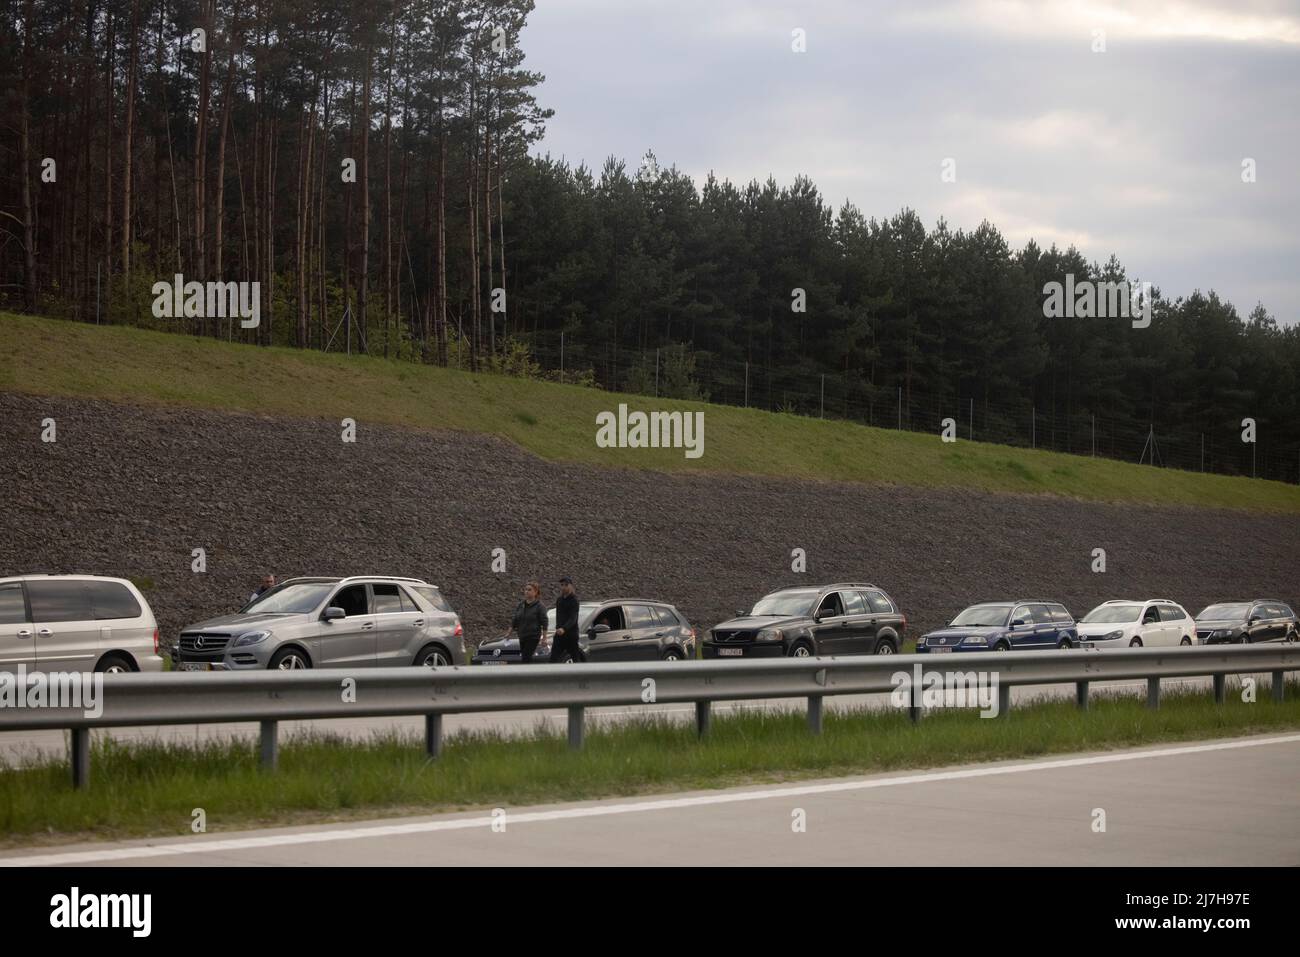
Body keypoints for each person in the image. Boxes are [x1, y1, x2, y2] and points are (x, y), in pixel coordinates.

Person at [503, 580, 548, 663]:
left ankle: (527, 674)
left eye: (529, 590)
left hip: (533, 636)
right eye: (525, 589)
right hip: (522, 635)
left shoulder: (540, 606)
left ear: (536, 592)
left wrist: (544, 638)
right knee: (525, 657)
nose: (526, 591)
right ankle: (530, 674)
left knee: (526, 657)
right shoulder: (521, 605)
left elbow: (544, 622)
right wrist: (509, 632)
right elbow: (515, 619)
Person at [550, 576, 581, 663]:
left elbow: (573, 618)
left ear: (571, 586)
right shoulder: (559, 600)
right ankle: (551, 675)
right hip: (559, 634)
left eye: (566, 585)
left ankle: (579, 674)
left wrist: (564, 628)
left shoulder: (574, 600)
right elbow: (558, 616)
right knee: (553, 658)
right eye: (562, 585)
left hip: (571, 634)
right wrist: (558, 628)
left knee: (575, 658)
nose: (563, 587)